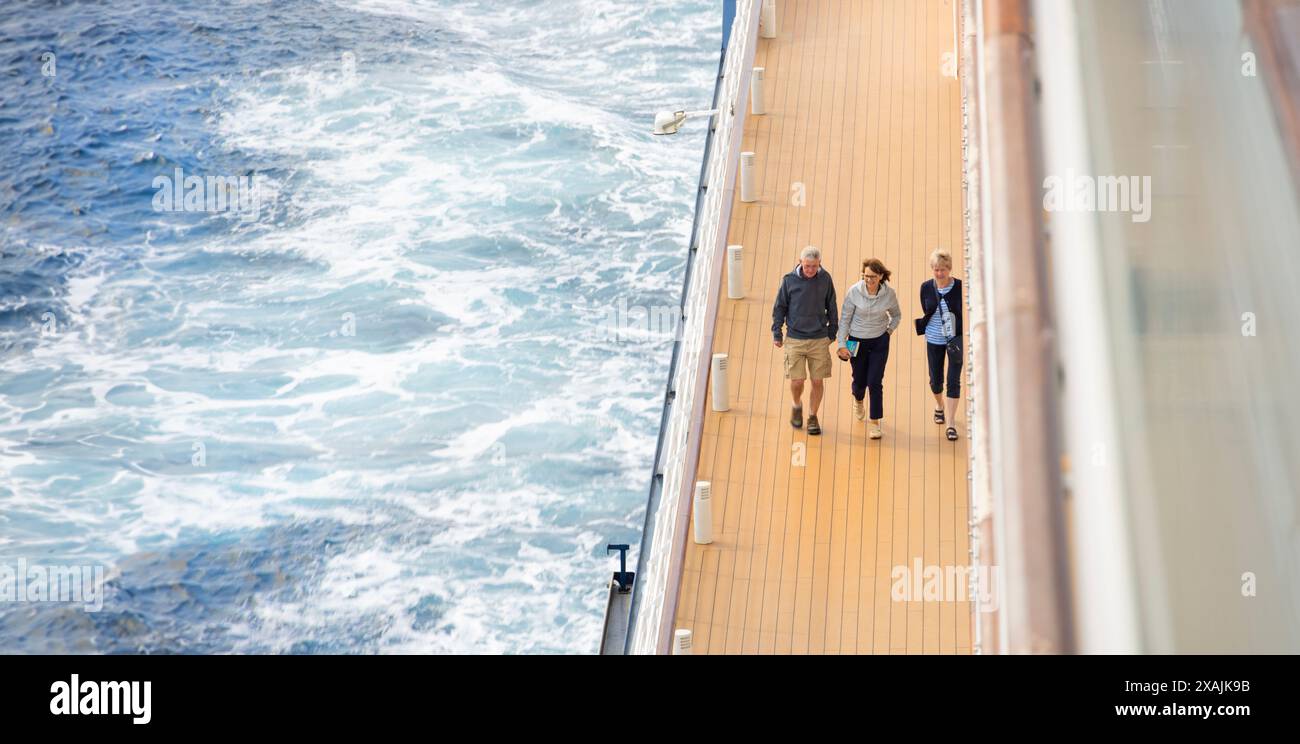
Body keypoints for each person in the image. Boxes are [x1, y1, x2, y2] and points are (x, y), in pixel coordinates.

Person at [772, 246, 838, 435]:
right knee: (798, 381)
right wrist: (777, 333)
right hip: (795, 338)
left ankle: (812, 416)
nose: (810, 270)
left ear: (819, 264)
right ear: (800, 262)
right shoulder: (789, 281)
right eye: (807, 266)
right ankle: (796, 404)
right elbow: (780, 308)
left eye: (814, 267)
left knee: (817, 381)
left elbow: (831, 305)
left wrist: (832, 332)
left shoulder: (825, 279)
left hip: (819, 338)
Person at [836, 258, 901, 439]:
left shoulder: (889, 294)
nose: (869, 280)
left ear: (881, 276)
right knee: (859, 380)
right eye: (865, 276)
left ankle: (875, 422)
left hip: (879, 341)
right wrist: (841, 344)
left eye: (873, 276)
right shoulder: (854, 292)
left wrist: (888, 331)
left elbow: (896, 315)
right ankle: (858, 400)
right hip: (856, 340)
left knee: (874, 381)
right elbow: (845, 320)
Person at [916, 248, 963, 441]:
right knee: (935, 380)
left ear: (949, 269)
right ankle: (939, 405)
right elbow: (925, 307)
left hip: (955, 340)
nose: (939, 273)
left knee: (953, 381)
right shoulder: (926, 287)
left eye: (943, 269)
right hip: (934, 338)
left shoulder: (960, 286)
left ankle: (951, 422)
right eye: (935, 269)